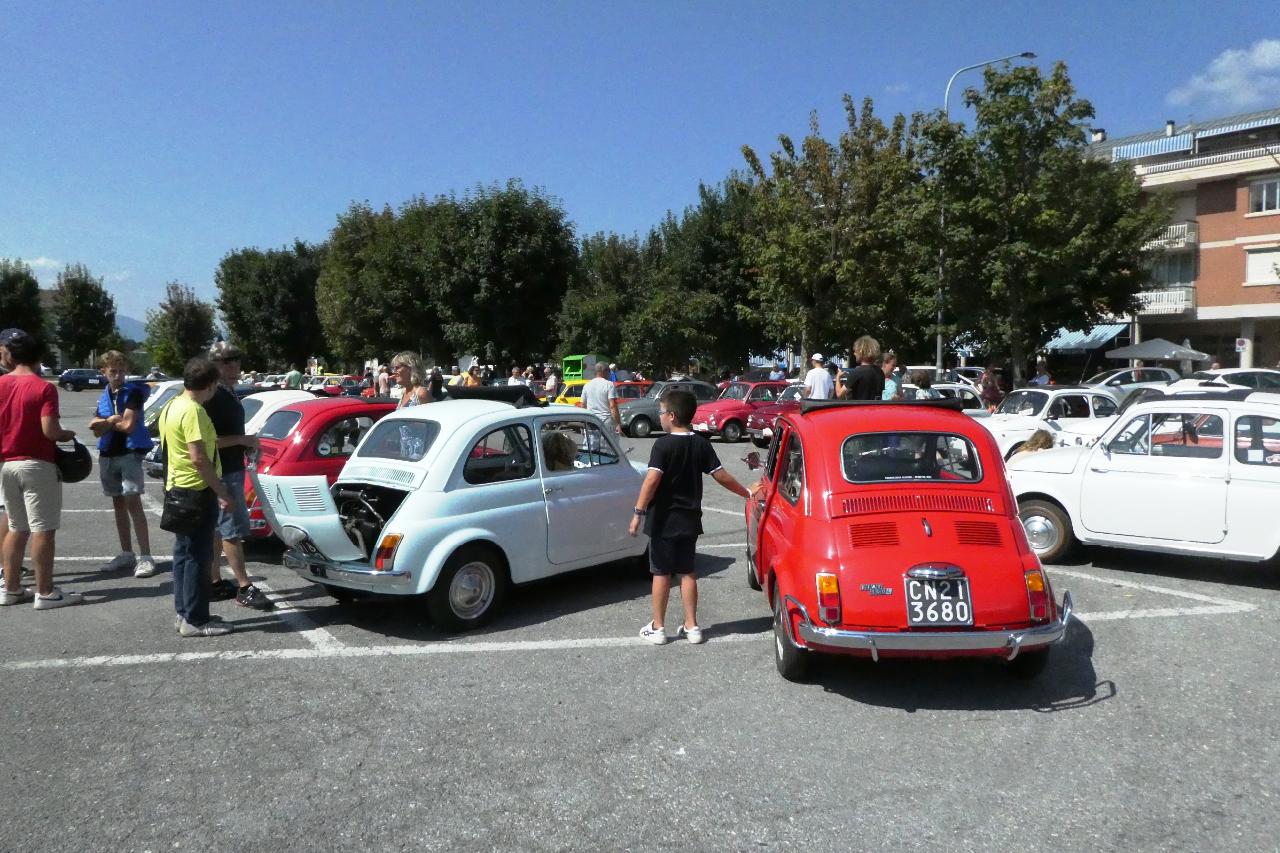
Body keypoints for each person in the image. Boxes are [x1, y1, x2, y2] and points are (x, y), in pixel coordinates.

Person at [629, 389, 753, 645]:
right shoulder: (701, 444)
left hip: (663, 520)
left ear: (672, 416)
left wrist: (638, 512)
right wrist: (747, 492)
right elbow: (721, 475)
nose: (660, 416)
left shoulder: (662, 445)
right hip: (689, 519)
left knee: (661, 573)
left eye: (661, 412)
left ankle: (658, 627)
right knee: (687, 572)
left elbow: (651, 481)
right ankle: (692, 626)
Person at [0, 329, 81, 610]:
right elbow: (50, 430)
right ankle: (45, 592)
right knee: (43, 530)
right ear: (38, 357)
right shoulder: (43, 388)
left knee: (16, 528)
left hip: (7, 464)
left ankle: (10, 588)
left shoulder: (1, 383)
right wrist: (67, 434)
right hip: (36, 463)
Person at [161, 358, 236, 636]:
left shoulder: (173, 405)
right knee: (198, 557)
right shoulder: (194, 411)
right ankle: (196, 619)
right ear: (211, 385)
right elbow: (199, 458)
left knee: (184, 554)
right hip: (196, 491)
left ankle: (184, 612)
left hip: (177, 487)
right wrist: (222, 492)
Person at [203, 343, 273, 609]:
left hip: (229, 467)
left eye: (236, 359)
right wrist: (242, 440)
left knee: (218, 529)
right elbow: (206, 441)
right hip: (223, 470)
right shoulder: (214, 396)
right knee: (230, 530)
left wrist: (244, 444)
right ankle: (245, 586)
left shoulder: (227, 392)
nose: (233, 364)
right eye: (226, 360)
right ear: (214, 365)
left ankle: (214, 582)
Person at [88, 350, 156, 578]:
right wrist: (110, 421)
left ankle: (146, 556)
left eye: (121, 371)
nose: (117, 376)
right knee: (118, 504)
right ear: (103, 372)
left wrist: (105, 423)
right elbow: (95, 428)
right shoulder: (106, 394)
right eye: (113, 371)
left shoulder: (133, 393)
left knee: (133, 503)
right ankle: (127, 553)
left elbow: (128, 425)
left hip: (128, 454)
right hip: (108, 454)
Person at [581, 362, 622, 435]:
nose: (610, 373)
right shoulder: (609, 385)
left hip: (591, 421)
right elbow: (612, 406)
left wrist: (583, 423)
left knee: (591, 442)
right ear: (604, 371)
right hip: (605, 422)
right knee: (608, 442)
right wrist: (617, 424)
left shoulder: (587, 385)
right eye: (609, 371)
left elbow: (583, 406)